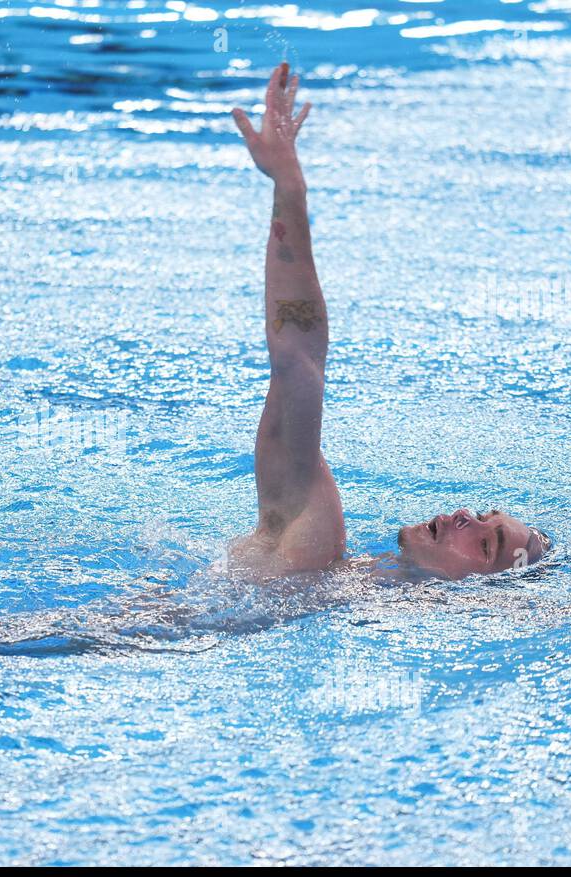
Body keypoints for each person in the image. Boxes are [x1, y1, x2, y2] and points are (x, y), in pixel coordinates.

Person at [226, 63, 551, 581]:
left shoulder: (322, 573)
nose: (465, 516)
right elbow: (298, 360)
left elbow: (298, 359)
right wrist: (289, 188)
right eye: (483, 515)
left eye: (484, 542)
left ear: (481, 591)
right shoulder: (315, 548)